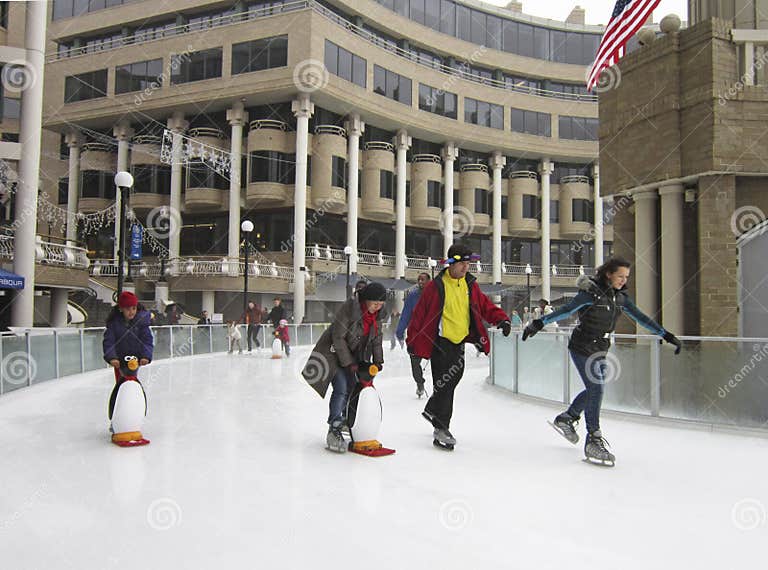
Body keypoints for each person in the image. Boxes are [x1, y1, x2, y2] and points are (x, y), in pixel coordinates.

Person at [522, 257, 683, 466]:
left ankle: (567, 418)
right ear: (608, 274)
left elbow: (641, 317)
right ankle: (593, 439)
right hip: (582, 346)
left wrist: (666, 335)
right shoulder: (590, 293)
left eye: (626, 277)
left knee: (595, 388)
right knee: (596, 387)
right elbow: (566, 310)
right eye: (620, 276)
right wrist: (538, 323)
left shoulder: (620, 298)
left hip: (600, 349)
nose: (623, 280)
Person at [406, 244, 512, 450]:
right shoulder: (436, 286)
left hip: (459, 342)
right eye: (462, 263)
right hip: (440, 342)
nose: (466, 267)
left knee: (454, 377)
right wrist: (413, 342)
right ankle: (441, 429)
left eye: (468, 263)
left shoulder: (469, 284)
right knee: (444, 384)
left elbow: (485, 306)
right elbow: (419, 315)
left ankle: (432, 410)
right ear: (451, 264)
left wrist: (501, 319)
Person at [302, 282, 386, 453]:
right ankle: (334, 427)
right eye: (374, 303)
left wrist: (378, 361)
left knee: (353, 388)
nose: (377, 307)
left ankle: (346, 420)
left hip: (353, 357)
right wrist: (348, 363)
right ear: (366, 300)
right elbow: (338, 337)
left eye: (380, 304)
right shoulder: (350, 308)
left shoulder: (376, 316)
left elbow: (376, 339)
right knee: (341, 388)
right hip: (333, 353)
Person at [103, 291, 154, 427]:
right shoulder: (114, 324)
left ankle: (135, 415)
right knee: (121, 386)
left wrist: (145, 356)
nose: (131, 312)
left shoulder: (141, 323)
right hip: (119, 362)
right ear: (121, 309)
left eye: (134, 308)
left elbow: (147, 341)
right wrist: (112, 357)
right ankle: (115, 418)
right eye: (127, 309)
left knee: (133, 384)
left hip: (135, 361)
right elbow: (109, 342)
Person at [396, 272, 431, 397]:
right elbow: (405, 315)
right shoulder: (412, 296)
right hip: (415, 336)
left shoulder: (435, 295)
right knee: (415, 363)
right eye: (419, 279)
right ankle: (420, 383)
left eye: (423, 279)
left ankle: (440, 389)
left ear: (429, 281)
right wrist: (399, 332)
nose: (420, 282)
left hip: (432, 336)